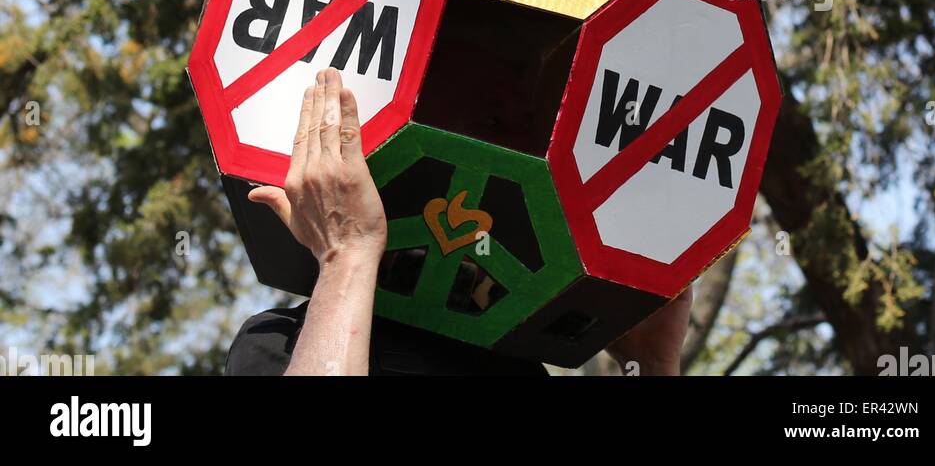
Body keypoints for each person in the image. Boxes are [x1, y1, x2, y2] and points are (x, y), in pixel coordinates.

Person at [226, 68, 692, 377]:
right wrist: (345, 253)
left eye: (524, 128)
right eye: (489, 121)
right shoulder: (277, 345)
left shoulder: (517, 368)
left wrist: (652, 365)